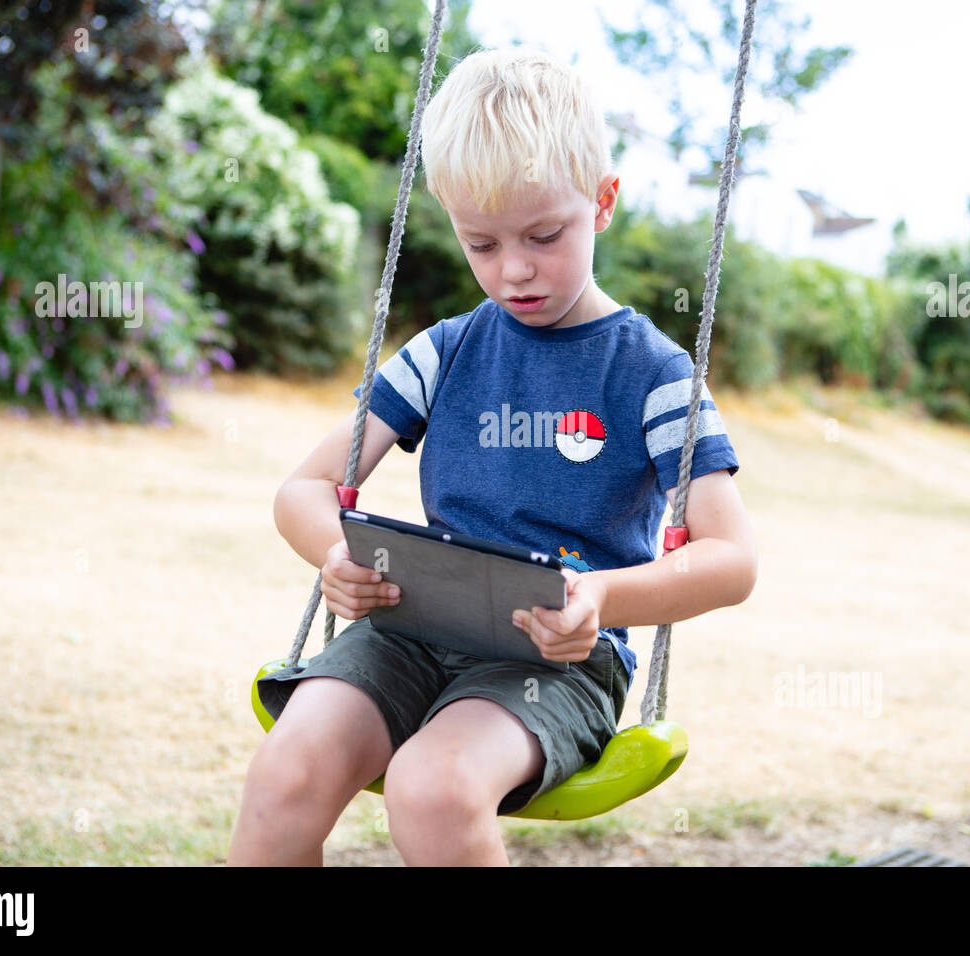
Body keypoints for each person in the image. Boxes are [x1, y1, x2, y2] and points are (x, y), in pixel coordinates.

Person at [228, 47, 758, 867]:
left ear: (603, 203)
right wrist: (334, 554)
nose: (514, 270)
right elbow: (305, 487)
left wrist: (602, 596)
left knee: (432, 788)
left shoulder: (654, 377)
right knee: (284, 772)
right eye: (481, 244)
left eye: (545, 235)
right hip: (407, 632)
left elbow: (732, 561)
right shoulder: (445, 351)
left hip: (555, 660)